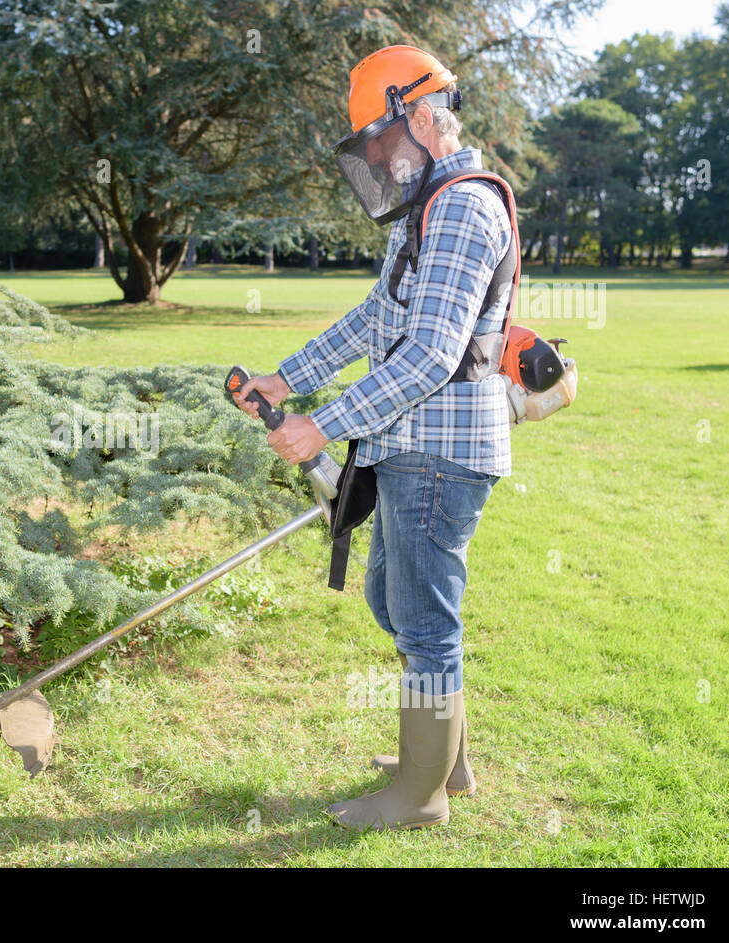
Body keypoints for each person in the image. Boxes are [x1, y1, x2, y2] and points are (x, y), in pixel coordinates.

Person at [233, 45, 513, 831]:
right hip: (406, 444)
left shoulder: (461, 207)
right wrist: (285, 379)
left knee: (424, 621)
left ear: (423, 118)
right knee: (397, 603)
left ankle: (419, 796)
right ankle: (443, 756)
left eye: (381, 143)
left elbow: (428, 353)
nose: (378, 161)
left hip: (440, 449)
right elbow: (375, 319)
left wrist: (322, 424)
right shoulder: (425, 206)